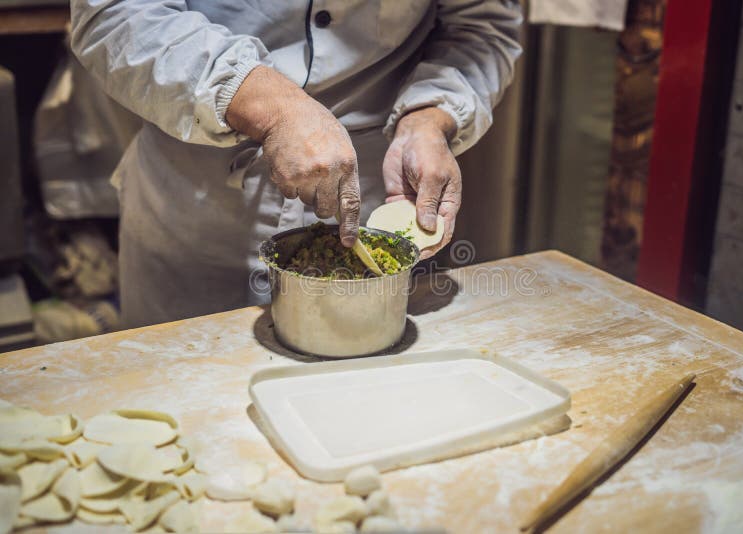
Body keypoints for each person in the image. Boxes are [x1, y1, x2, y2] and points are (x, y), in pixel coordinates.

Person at [70, 1, 522, 328]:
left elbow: (481, 29)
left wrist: (428, 119)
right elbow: (114, 15)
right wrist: (267, 104)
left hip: (376, 187)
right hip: (193, 211)